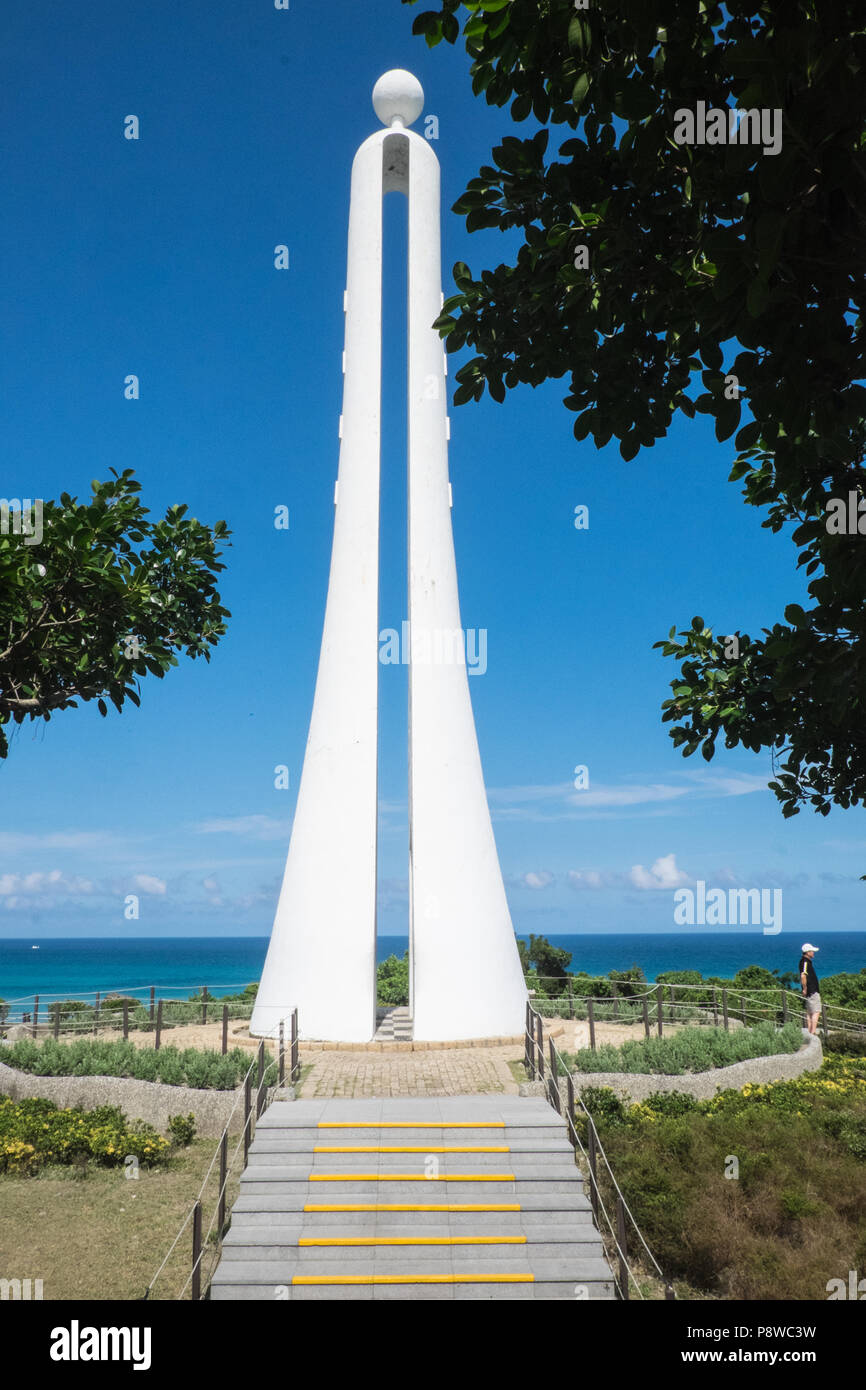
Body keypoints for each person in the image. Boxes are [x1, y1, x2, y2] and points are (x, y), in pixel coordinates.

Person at [799, 943, 821, 1035]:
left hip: (810, 991)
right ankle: (812, 1032)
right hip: (812, 990)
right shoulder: (805, 962)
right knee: (816, 1011)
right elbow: (803, 975)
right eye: (812, 951)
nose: (813, 953)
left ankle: (809, 1032)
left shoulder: (804, 961)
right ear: (807, 952)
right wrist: (805, 988)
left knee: (809, 1012)